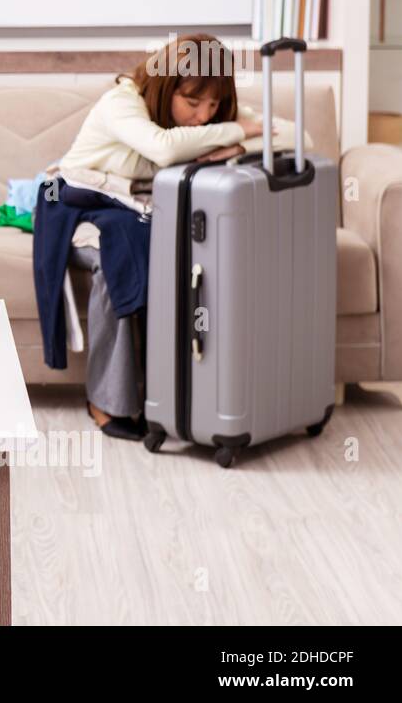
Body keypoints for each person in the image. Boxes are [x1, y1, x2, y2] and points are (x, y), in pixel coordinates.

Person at [33, 33, 304, 439]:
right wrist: (235, 131)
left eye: (213, 106)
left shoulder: (210, 116)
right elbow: (160, 148)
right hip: (77, 204)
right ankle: (107, 402)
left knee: (180, 255)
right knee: (120, 260)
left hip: (139, 209)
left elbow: (297, 136)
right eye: (192, 103)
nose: (202, 116)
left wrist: (231, 140)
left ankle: (185, 394)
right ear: (165, 86)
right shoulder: (121, 102)